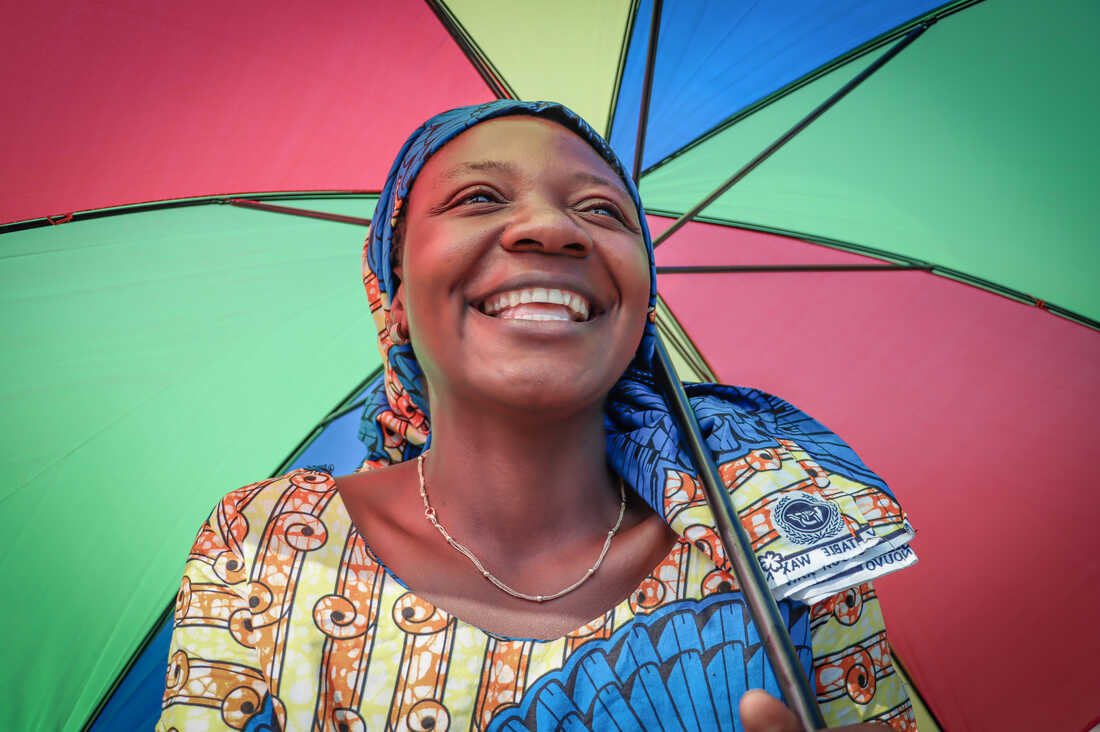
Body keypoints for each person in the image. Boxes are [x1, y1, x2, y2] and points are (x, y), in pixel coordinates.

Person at [158, 101, 916, 732]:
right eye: (480, 197)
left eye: (600, 209)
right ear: (391, 298)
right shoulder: (263, 544)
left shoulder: (779, 538)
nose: (553, 230)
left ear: (643, 303)